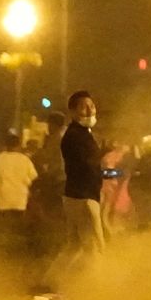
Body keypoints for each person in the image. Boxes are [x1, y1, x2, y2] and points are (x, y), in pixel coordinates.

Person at [61, 90, 106, 254]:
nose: (89, 110)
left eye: (92, 106)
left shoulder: (80, 134)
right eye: (83, 107)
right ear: (72, 111)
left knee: (73, 246)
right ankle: (94, 279)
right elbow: (88, 166)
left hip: (75, 195)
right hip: (84, 197)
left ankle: (51, 279)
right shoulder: (76, 135)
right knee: (94, 247)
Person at [0, 131, 37, 215]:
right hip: (20, 199)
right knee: (17, 225)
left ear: (5, 145)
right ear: (19, 145)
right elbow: (33, 176)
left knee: (3, 225)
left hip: (3, 199)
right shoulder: (25, 159)